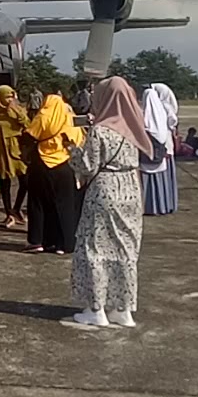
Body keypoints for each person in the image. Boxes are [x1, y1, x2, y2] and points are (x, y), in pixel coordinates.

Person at [65, 77, 150, 329]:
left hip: (105, 190)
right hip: (130, 189)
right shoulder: (134, 127)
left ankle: (96, 309)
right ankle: (123, 309)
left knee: (95, 248)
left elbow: (88, 166)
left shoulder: (100, 131)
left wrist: (72, 151)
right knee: (126, 250)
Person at [24, 91, 84, 254]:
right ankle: (63, 244)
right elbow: (78, 140)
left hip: (41, 164)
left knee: (38, 203)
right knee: (64, 205)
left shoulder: (43, 116)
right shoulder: (69, 118)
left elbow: (29, 135)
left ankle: (37, 241)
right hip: (65, 165)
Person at [0, 85, 30, 228]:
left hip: (17, 150)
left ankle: (17, 209)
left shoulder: (19, 111)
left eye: (11, 96)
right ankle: (9, 214)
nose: (9, 99)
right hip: (1, 151)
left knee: (25, 181)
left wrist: (16, 111)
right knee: (5, 184)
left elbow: (28, 125)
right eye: (7, 97)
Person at [140, 86, 177, 216]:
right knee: (162, 179)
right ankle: (164, 204)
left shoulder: (147, 114)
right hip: (163, 148)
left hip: (151, 150)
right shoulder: (161, 112)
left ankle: (150, 207)